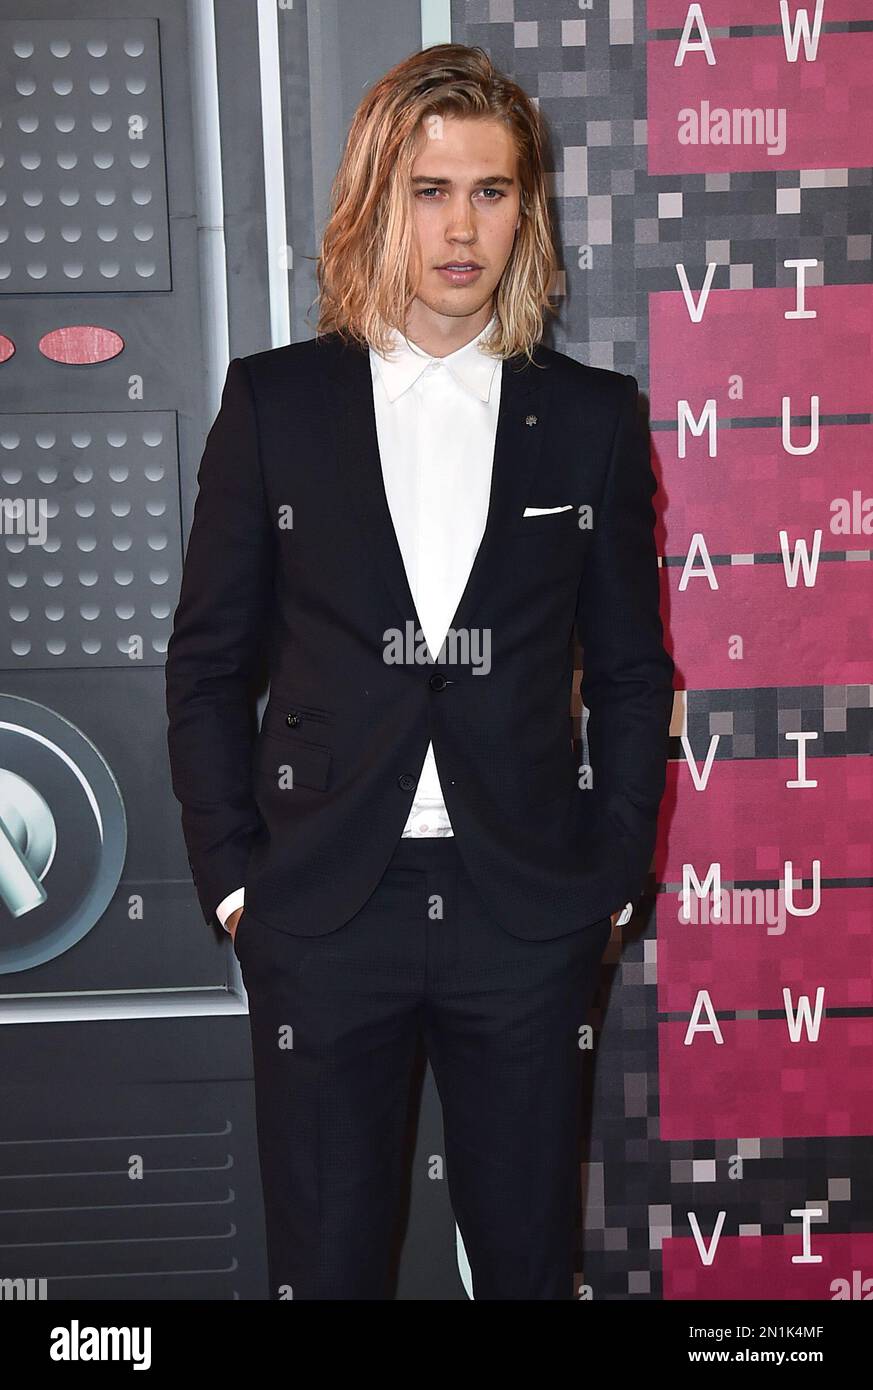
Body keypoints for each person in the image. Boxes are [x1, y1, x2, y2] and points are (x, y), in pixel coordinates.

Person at [165, 43, 674, 1300]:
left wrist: (608, 881)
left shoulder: (596, 417)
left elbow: (629, 672)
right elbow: (209, 662)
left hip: (528, 915)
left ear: (526, 210)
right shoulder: (278, 404)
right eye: (430, 190)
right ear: (376, 201)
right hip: (328, 909)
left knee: (525, 1264)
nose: (462, 226)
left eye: (491, 192)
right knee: (327, 1269)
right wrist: (238, 886)